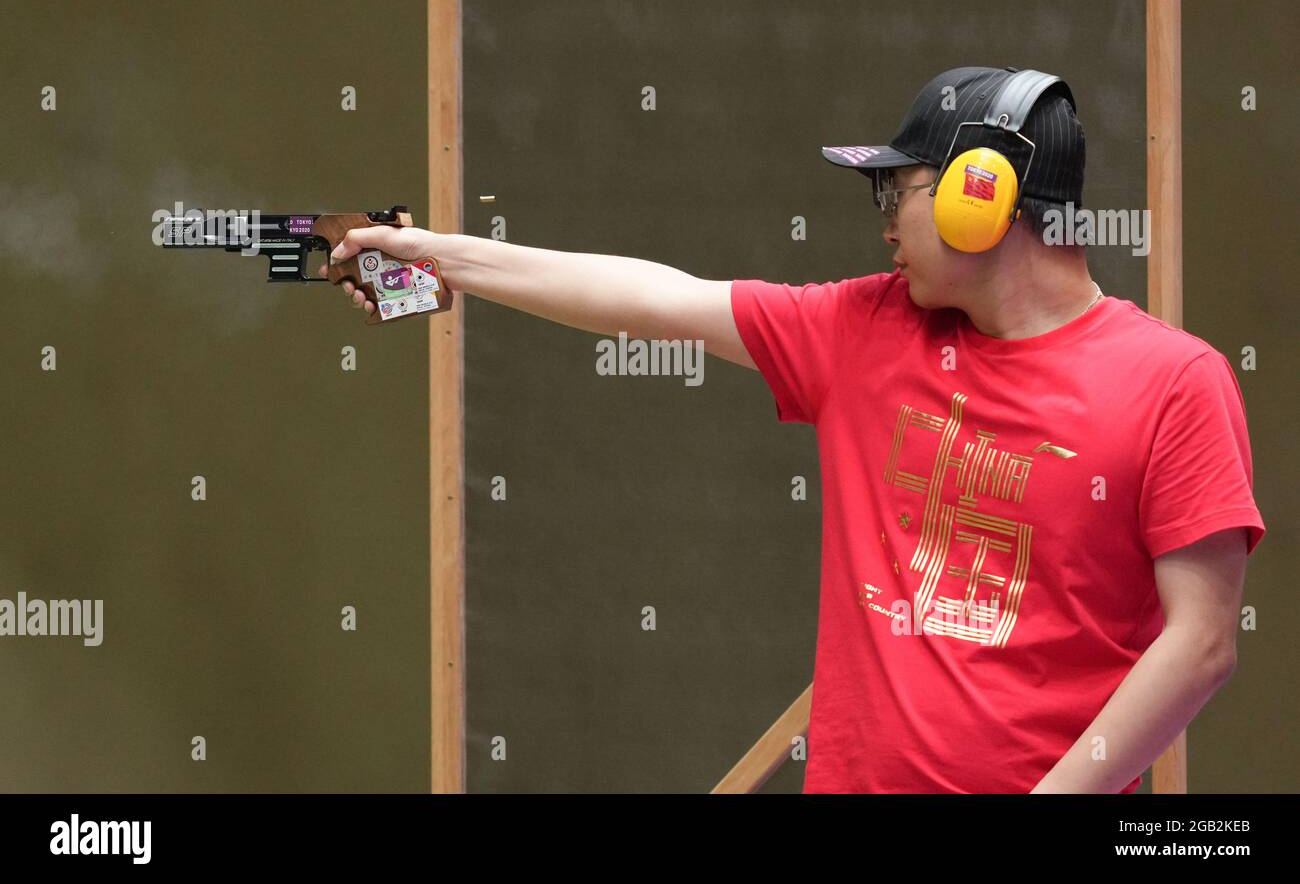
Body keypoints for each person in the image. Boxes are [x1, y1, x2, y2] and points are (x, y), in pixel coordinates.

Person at [321, 66, 1266, 794]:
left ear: (981, 196)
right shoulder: (869, 327)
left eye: (901, 190)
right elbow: (660, 300)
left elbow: (1202, 642)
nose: (886, 223)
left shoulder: (1176, 382)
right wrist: (438, 254)